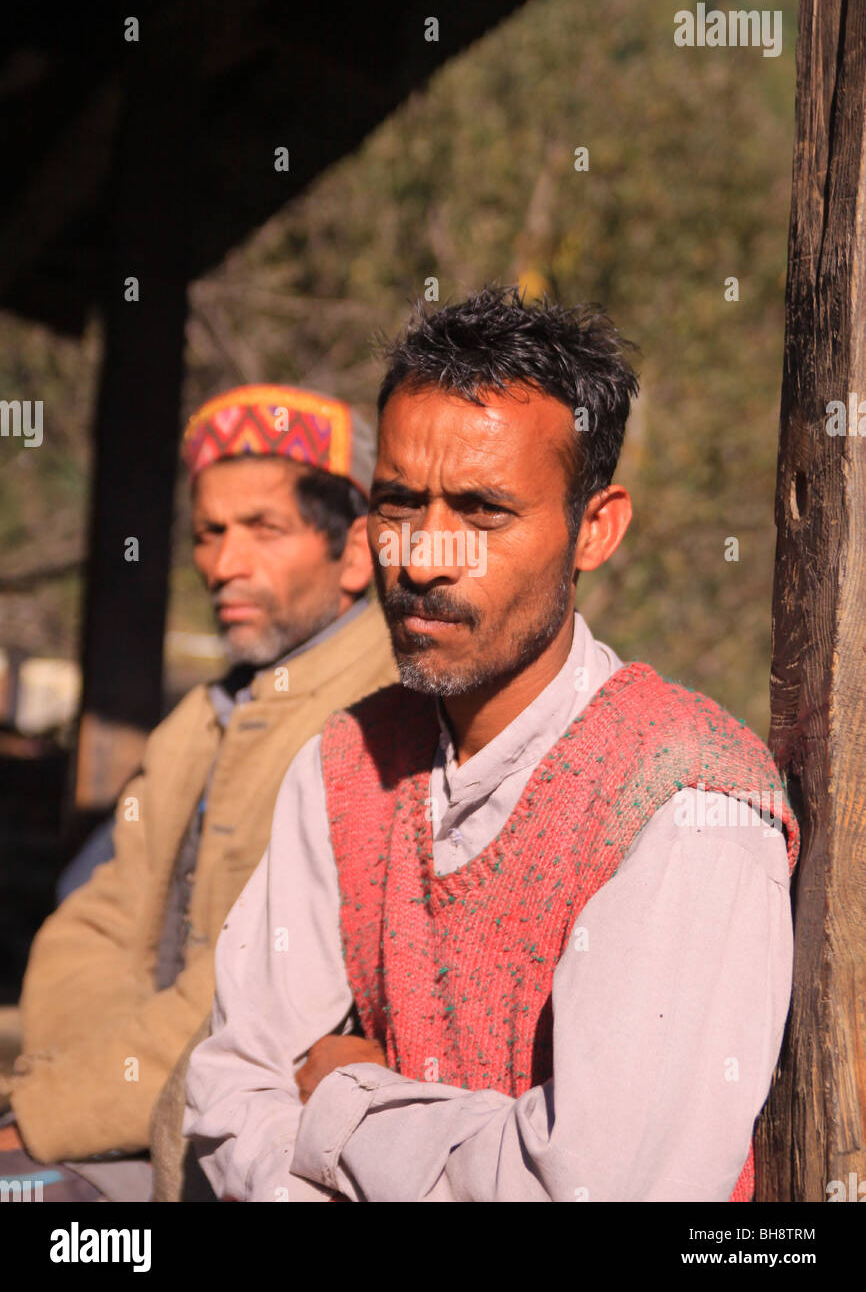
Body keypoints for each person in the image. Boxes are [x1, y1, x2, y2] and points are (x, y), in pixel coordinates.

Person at [184, 289, 799, 1203]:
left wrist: (350, 1102)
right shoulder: (347, 760)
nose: (425, 557)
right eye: (398, 503)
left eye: (482, 512)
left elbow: (592, 1193)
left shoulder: (687, 809)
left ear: (596, 528)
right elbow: (231, 1095)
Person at [0, 383, 397, 1201]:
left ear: (356, 551)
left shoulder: (379, 721)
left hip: (253, 1152)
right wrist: (80, 1098)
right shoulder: (202, 718)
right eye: (212, 533)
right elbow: (97, 917)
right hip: (119, 1113)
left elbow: (251, 993)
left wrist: (47, 1114)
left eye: (263, 529)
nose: (222, 564)